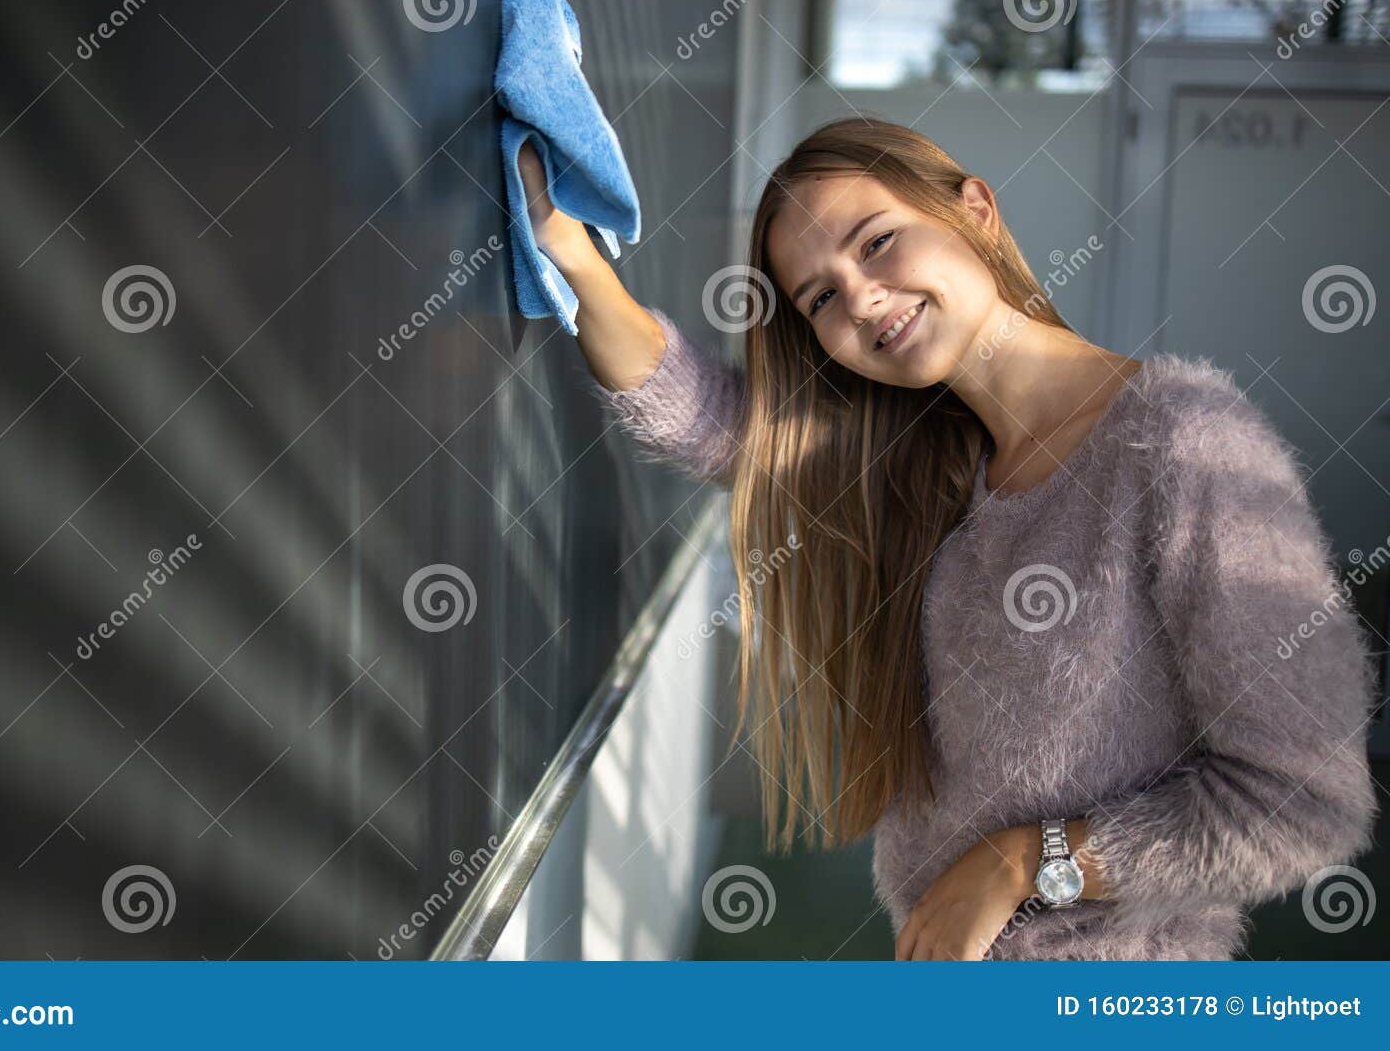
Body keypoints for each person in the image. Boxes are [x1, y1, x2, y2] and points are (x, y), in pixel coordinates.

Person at [515, 116, 1380, 960]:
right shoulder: (931, 466)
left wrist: (1023, 862)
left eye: (877, 240)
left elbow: (1301, 803)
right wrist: (574, 254)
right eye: (819, 296)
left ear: (974, 209)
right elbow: (717, 423)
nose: (859, 296)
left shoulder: (1189, 445)